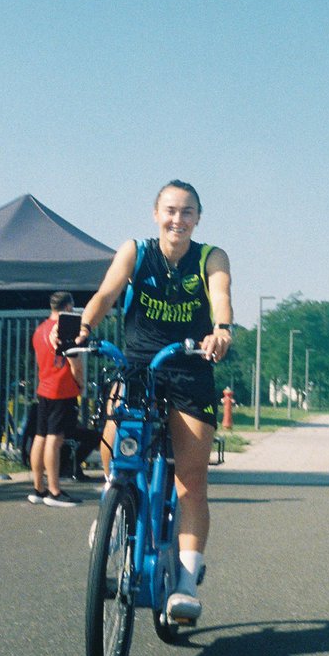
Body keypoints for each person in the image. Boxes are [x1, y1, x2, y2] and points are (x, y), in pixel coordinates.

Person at [78, 180, 233, 625]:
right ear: (155, 214)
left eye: (187, 212)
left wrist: (221, 329)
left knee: (191, 479)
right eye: (170, 211)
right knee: (114, 445)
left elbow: (220, 296)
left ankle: (185, 583)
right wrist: (85, 327)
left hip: (189, 367)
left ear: (198, 218)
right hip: (140, 366)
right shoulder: (136, 252)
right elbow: (106, 295)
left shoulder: (210, 258)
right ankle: (113, 503)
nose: (177, 220)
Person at [28, 292, 85, 507]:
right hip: (62, 388)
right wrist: (80, 382)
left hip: (44, 386)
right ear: (68, 306)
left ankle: (38, 487)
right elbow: (74, 362)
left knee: (40, 436)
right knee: (55, 438)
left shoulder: (40, 330)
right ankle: (54, 490)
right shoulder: (64, 329)